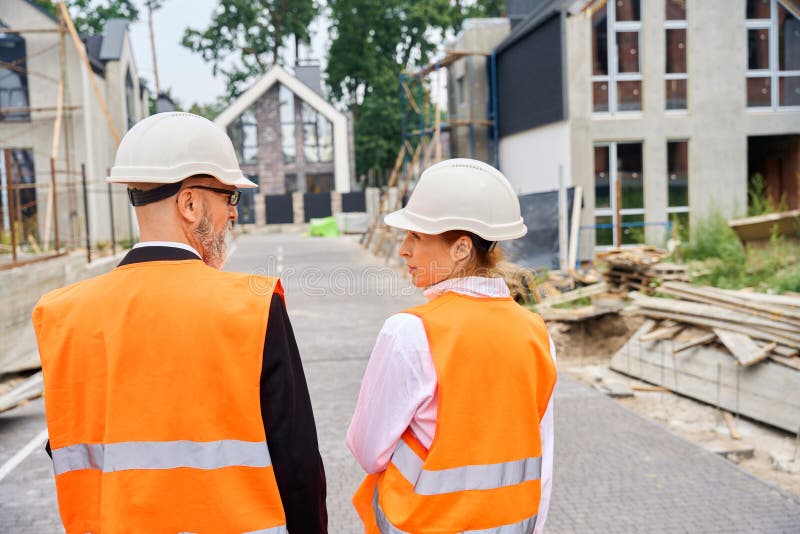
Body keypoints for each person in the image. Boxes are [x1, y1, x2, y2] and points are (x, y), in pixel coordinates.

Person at [32, 112, 327, 533]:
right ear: (189, 203)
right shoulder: (253, 305)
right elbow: (297, 465)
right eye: (229, 197)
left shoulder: (62, 315)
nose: (233, 214)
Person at [347, 158, 557, 533]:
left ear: (461, 248)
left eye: (416, 236)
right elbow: (543, 455)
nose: (403, 250)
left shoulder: (410, 332)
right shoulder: (536, 334)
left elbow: (368, 450)